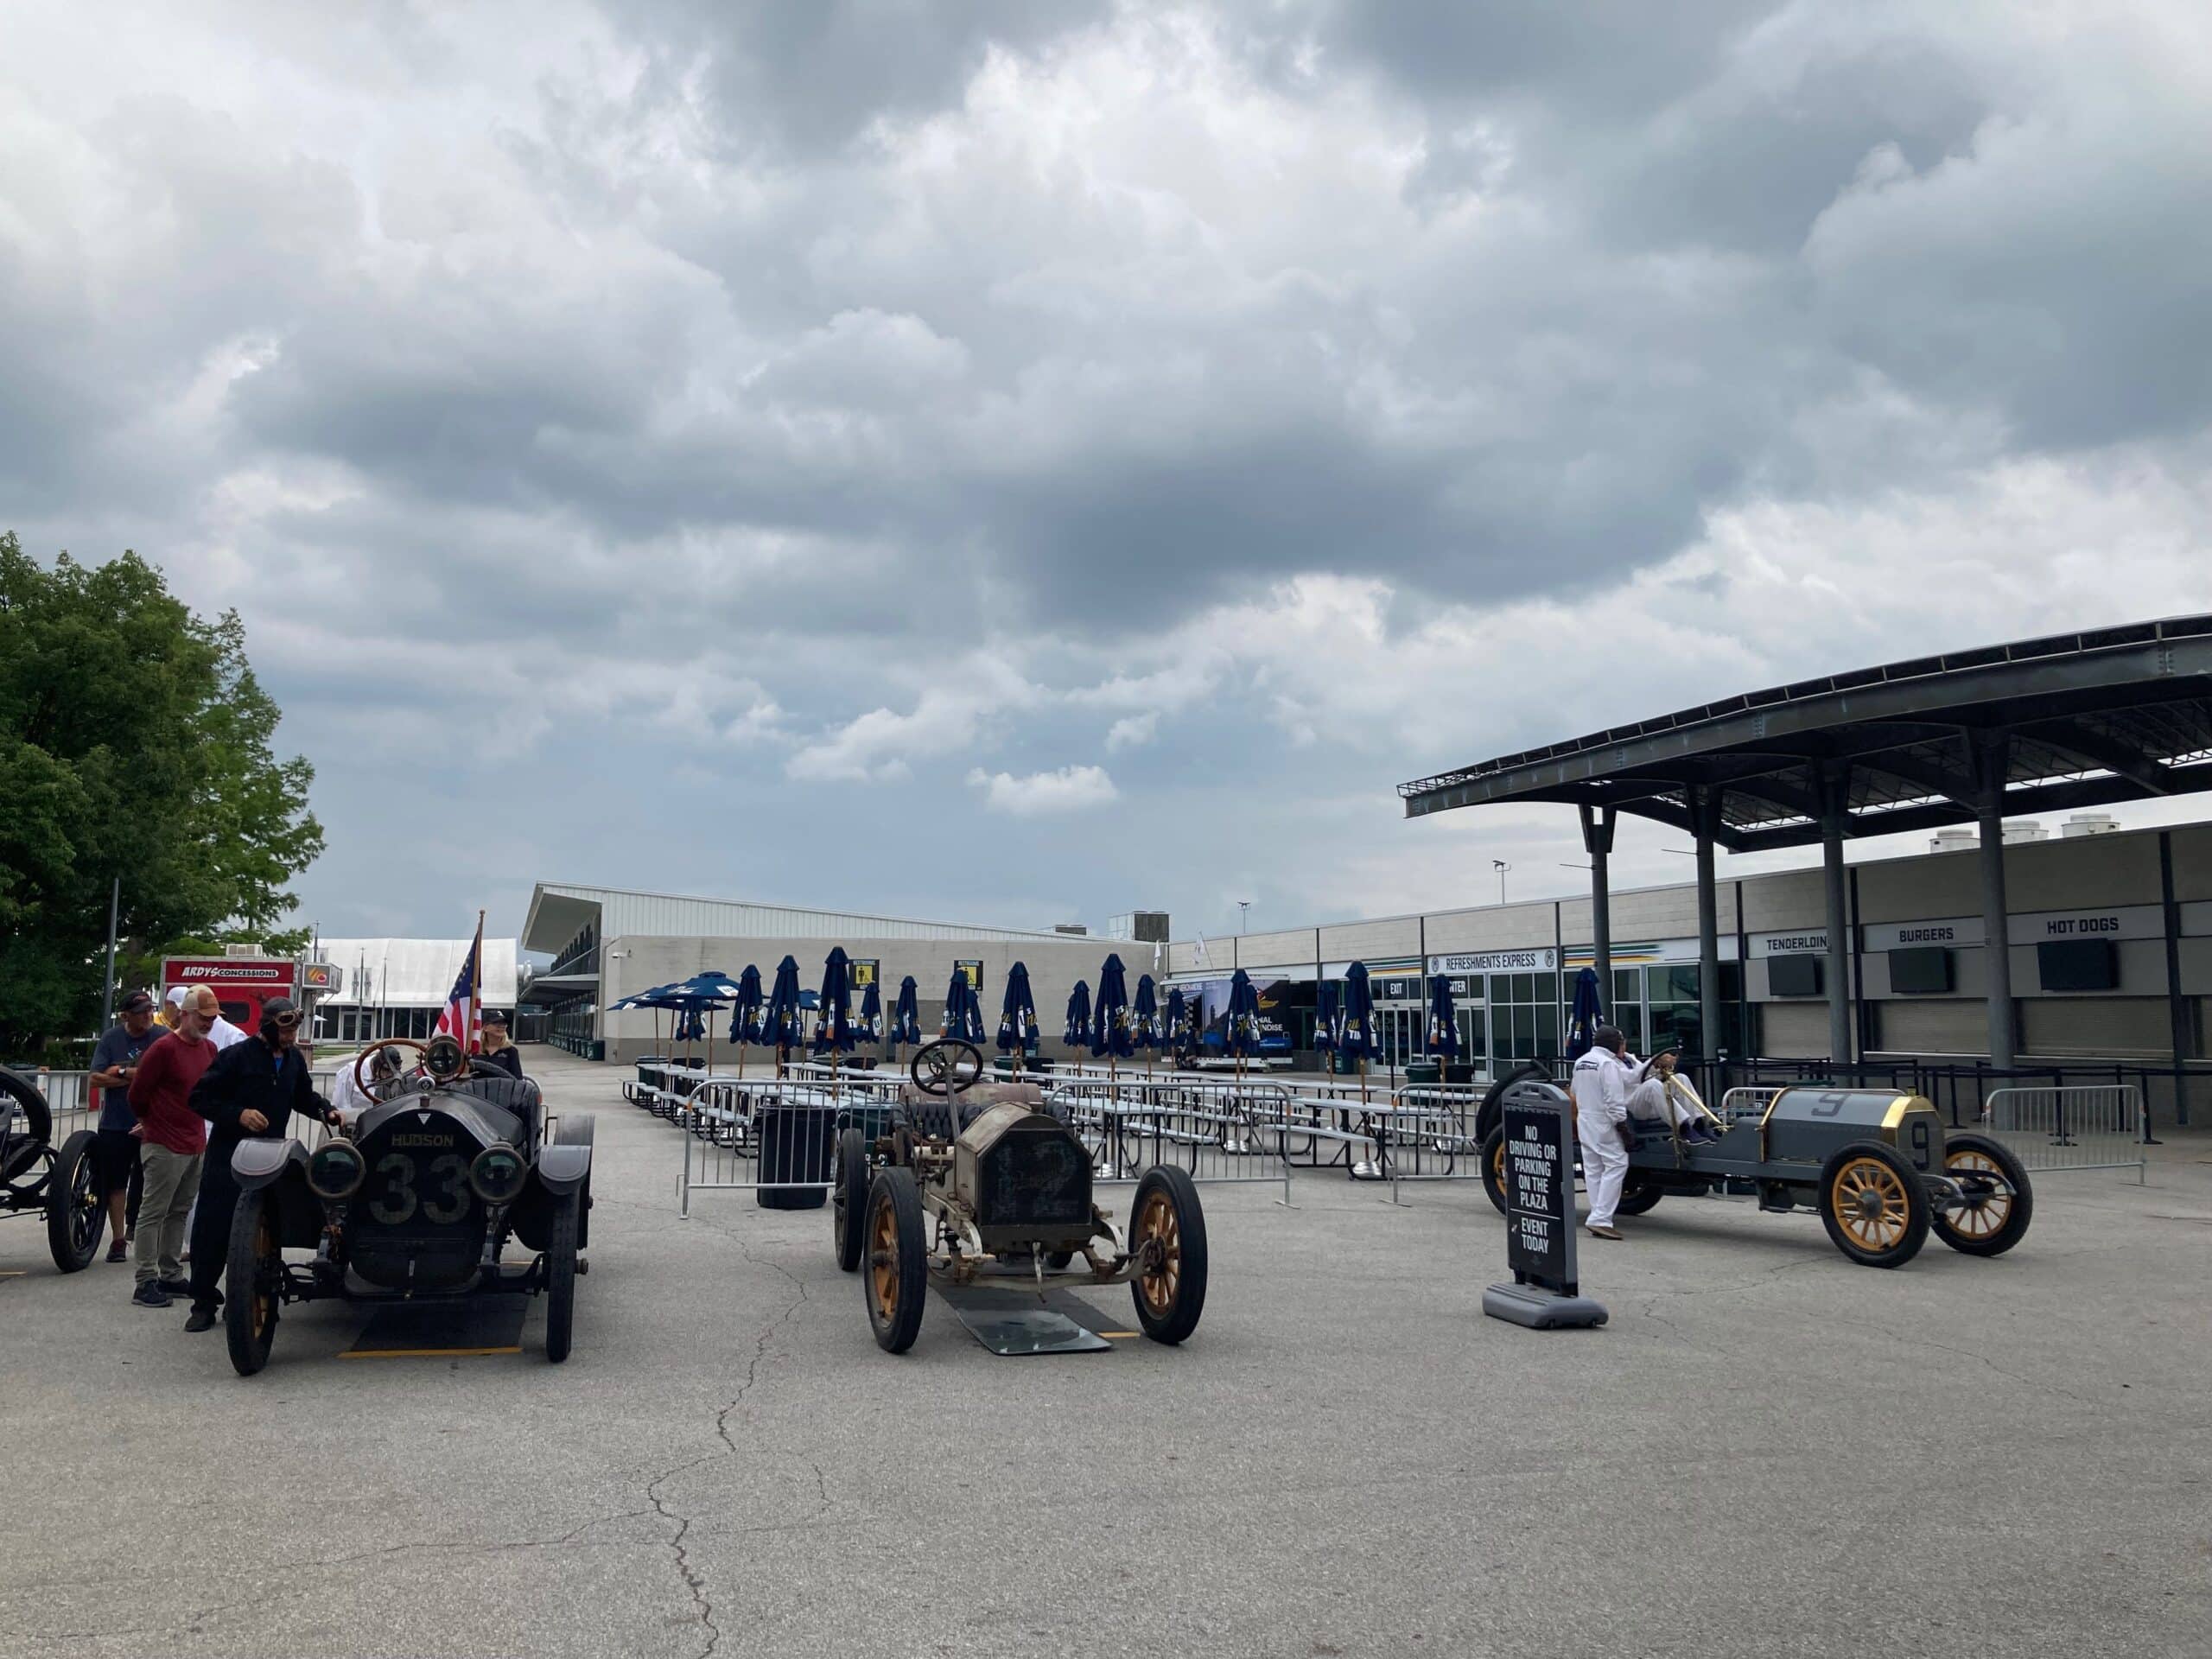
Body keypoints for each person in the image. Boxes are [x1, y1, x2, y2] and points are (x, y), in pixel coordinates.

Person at [182, 997, 340, 1333]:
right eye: (285, 1028)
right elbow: (200, 1098)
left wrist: (325, 1109)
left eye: (295, 1028)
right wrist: (237, 1114)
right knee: (213, 1229)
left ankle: (252, 1298)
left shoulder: (294, 1060)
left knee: (265, 1230)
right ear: (268, 1025)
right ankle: (203, 1303)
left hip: (270, 1158)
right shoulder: (236, 1056)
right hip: (229, 1156)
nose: (291, 1034)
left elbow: (303, 1097)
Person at [124, 988, 219, 1306]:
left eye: (212, 1019)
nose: (208, 1023)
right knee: (153, 1212)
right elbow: (138, 1093)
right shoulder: (164, 1048)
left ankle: (170, 1274)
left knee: (179, 1210)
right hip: (164, 1143)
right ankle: (145, 1281)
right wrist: (149, 1122)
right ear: (186, 1014)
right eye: (203, 1017)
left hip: (195, 1142)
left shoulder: (210, 1049)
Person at [1569, 1026, 1706, 1241]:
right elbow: (1614, 1102)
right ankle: (1600, 1220)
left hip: (1587, 1119)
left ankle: (1598, 1216)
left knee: (1594, 1169)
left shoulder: (1582, 1061)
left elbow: (1575, 1091)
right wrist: (1625, 1133)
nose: (1623, 1045)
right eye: (1620, 1041)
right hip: (1605, 1121)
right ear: (1612, 1043)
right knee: (1616, 1165)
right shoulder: (1608, 1064)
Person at [87, 991, 159, 1263]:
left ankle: (147, 1241)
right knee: (115, 1183)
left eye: (150, 1009)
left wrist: (118, 1072)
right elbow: (95, 1079)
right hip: (115, 1123)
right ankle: (118, 1240)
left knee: (153, 1184)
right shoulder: (111, 1038)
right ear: (125, 1016)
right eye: (141, 1011)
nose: (148, 1015)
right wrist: (131, 1075)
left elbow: (159, 1078)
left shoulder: (162, 1037)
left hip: (152, 1122)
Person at [330, 1045, 404, 1121]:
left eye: (393, 1072)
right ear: (376, 1064)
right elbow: (340, 1105)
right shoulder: (351, 1072)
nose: (389, 1076)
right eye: (386, 1070)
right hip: (356, 1122)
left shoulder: (393, 1076)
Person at [475, 1010, 524, 1080]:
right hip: (477, 1090)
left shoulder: (511, 1051)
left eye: (504, 1023)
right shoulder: (474, 1049)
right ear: (485, 1027)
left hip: (503, 1090)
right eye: (496, 1023)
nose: (502, 1026)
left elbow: (518, 1080)